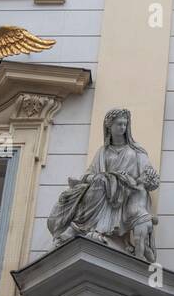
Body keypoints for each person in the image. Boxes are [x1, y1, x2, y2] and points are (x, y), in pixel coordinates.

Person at [48, 108, 160, 261]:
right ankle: (84, 228)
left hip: (128, 193)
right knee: (99, 181)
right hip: (105, 190)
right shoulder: (102, 152)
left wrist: (136, 180)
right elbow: (90, 174)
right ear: (109, 126)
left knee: (101, 182)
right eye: (119, 124)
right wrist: (93, 179)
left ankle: (78, 230)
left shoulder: (136, 151)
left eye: (125, 124)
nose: (122, 127)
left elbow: (148, 176)